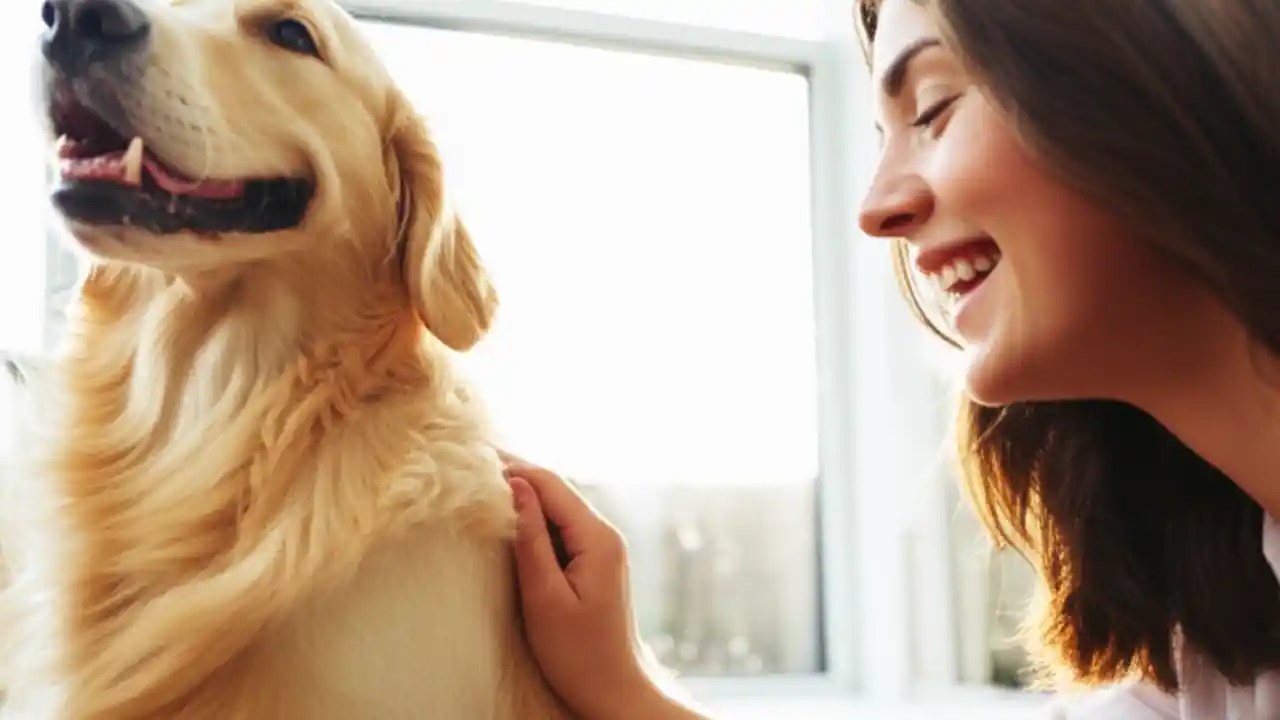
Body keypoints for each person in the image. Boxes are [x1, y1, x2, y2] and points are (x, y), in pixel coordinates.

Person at [500, 0, 1280, 717]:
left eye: (932, 110)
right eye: (880, 139)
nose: (876, 209)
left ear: (1155, 67)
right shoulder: (1217, 652)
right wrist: (619, 686)